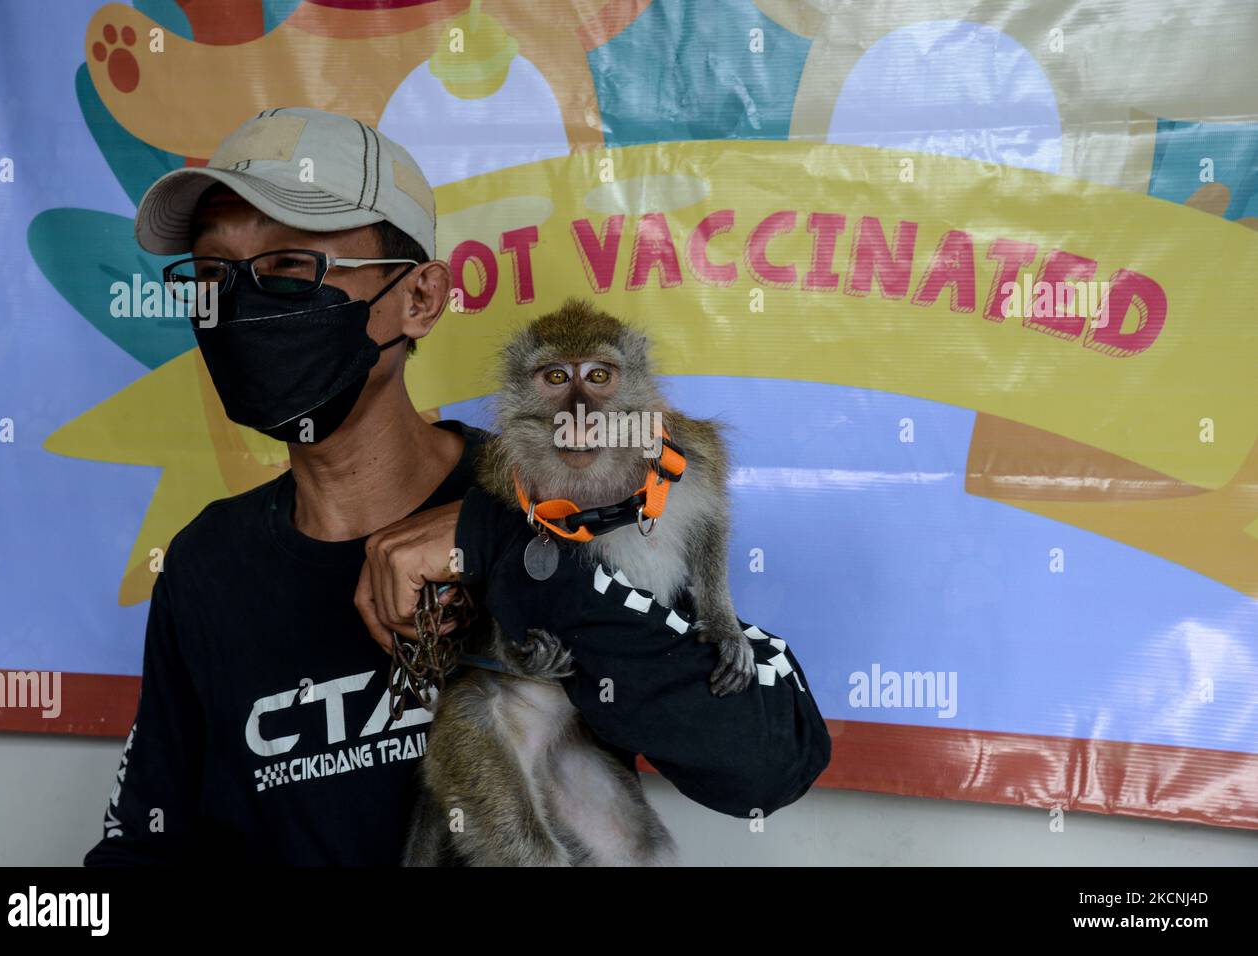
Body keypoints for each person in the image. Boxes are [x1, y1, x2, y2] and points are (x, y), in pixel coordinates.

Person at [84, 107, 830, 866]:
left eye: (289, 269)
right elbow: (143, 844)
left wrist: (495, 547)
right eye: (214, 276)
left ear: (421, 299)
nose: (244, 306)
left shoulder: (560, 499)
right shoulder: (208, 561)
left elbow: (768, 763)